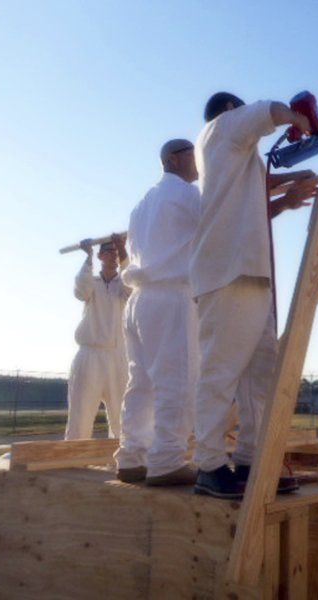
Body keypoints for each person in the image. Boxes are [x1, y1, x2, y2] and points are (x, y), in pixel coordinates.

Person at [190, 92, 318, 499]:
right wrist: (301, 119)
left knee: (257, 376)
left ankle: (249, 460)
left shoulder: (232, 159)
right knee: (221, 372)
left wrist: (290, 193)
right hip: (230, 274)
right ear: (230, 110)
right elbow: (269, 110)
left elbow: (256, 195)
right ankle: (209, 466)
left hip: (247, 274)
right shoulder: (222, 128)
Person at [113, 139, 201, 486]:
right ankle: (166, 461)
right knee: (176, 380)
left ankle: (132, 458)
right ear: (175, 159)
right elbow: (224, 219)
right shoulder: (186, 195)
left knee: (142, 384)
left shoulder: (142, 205)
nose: (199, 164)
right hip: (170, 297)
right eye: (194, 156)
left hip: (138, 303)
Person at [65, 234, 130, 440]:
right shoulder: (91, 282)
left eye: (117, 253)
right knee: (80, 413)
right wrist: (88, 257)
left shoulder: (124, 283)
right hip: (89, 355)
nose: (115, 256)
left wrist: (124, 251)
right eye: (110, 251)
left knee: (123, 416)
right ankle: (74, 460)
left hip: (118, 356)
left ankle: (123, 463)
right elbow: (80, 292)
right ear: (101, 255)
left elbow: (132, 289)